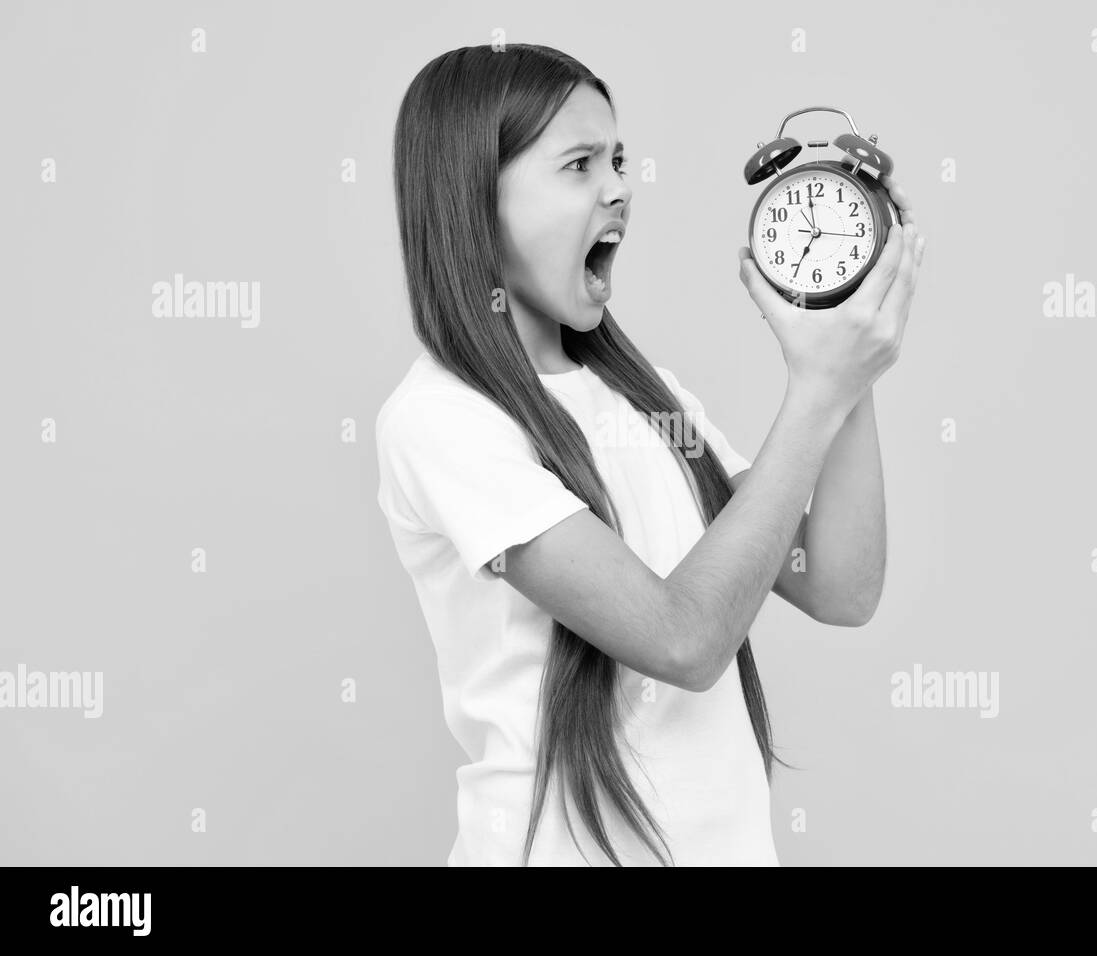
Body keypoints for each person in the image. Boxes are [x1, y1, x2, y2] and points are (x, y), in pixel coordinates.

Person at [375, 43, 924, 866]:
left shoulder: (649, 396)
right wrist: (815, 394)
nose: (620, 187)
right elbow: (681, 642)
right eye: (579, 164)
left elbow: (838, 584)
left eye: (620, 158)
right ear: (474, 205)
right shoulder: (443, 421)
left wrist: (847, 360)